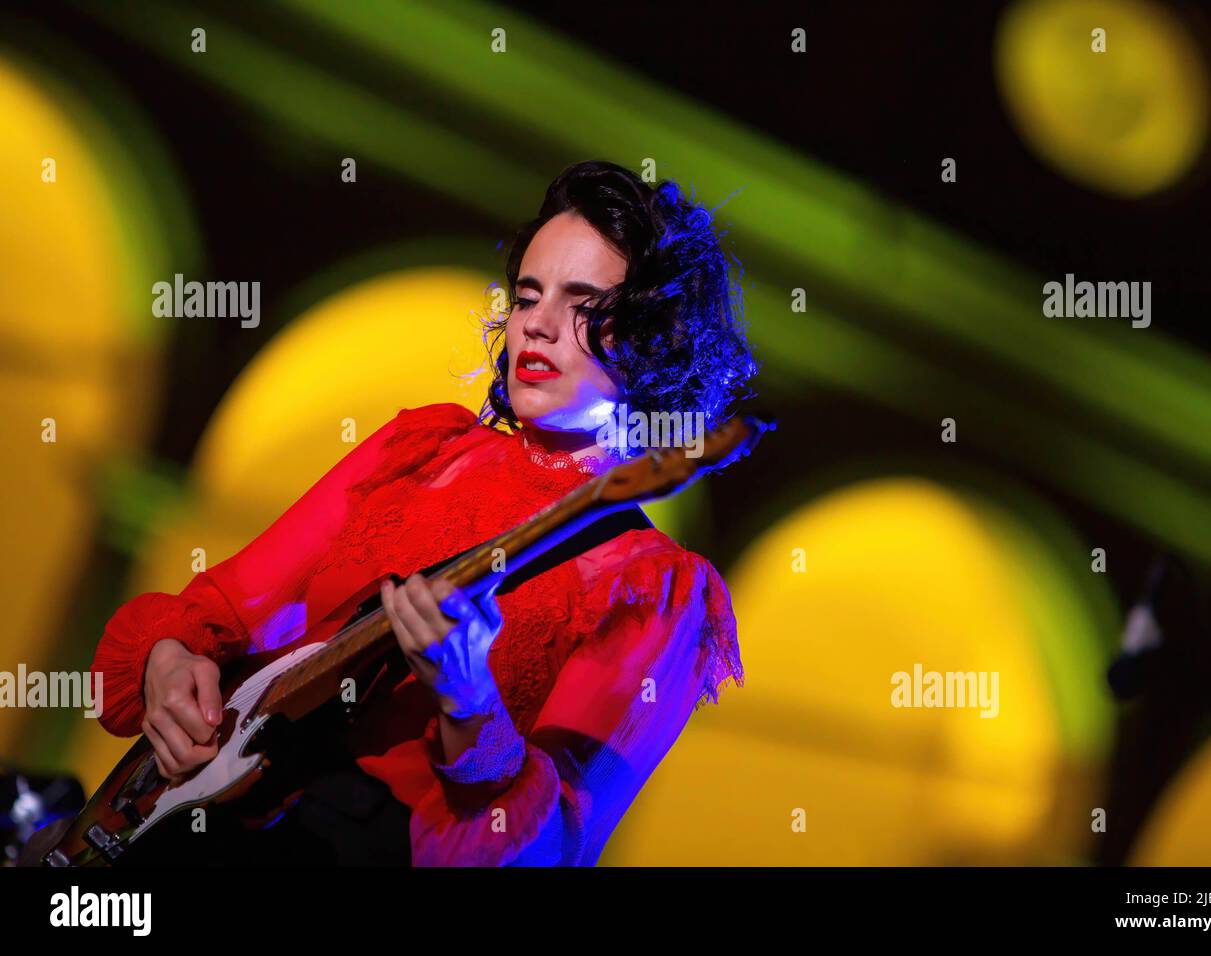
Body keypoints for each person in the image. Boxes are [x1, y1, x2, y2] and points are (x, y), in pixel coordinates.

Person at [90, 160, 758, 866]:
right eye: (529, 296)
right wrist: (168, 664)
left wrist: (470, 703)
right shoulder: (421, 450)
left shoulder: (655, 587)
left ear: (657, 340)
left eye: (585, 307)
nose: (538, 326)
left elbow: (552, 847)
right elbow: (224, 606)